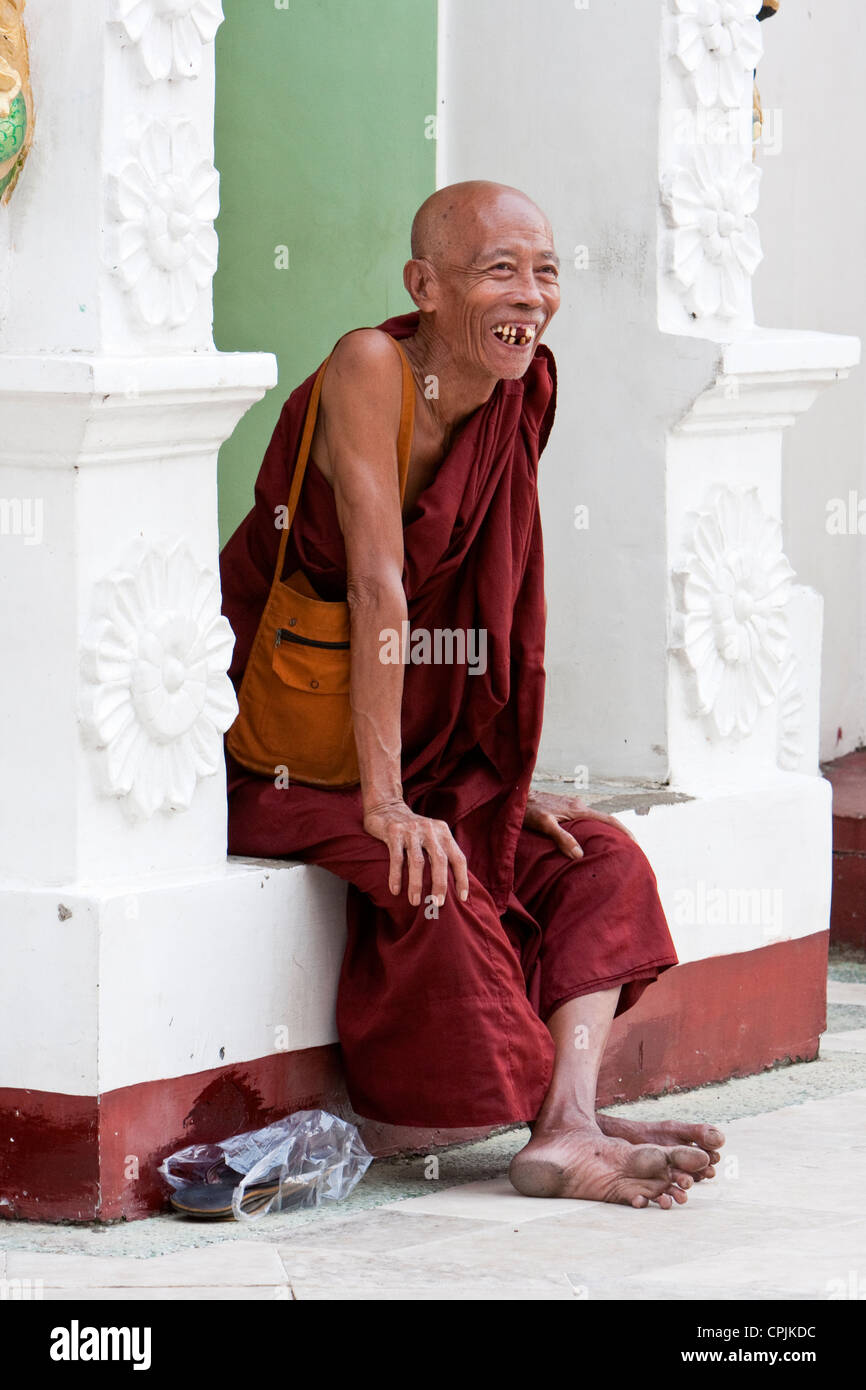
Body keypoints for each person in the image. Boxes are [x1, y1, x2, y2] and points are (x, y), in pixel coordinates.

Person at [220, 181, 724, 1208]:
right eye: (501, 270)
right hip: (297, 752)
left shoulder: (520, 385)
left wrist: (494, 772)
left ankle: (569, 1122)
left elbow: (493, 585)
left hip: (424, 742)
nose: (531, 297)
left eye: (545, 272)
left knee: (597, 857)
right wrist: (385, 802)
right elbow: (377, 585)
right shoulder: (371, 366)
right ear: (424, 284)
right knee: (434, 879)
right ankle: (559, 1120)